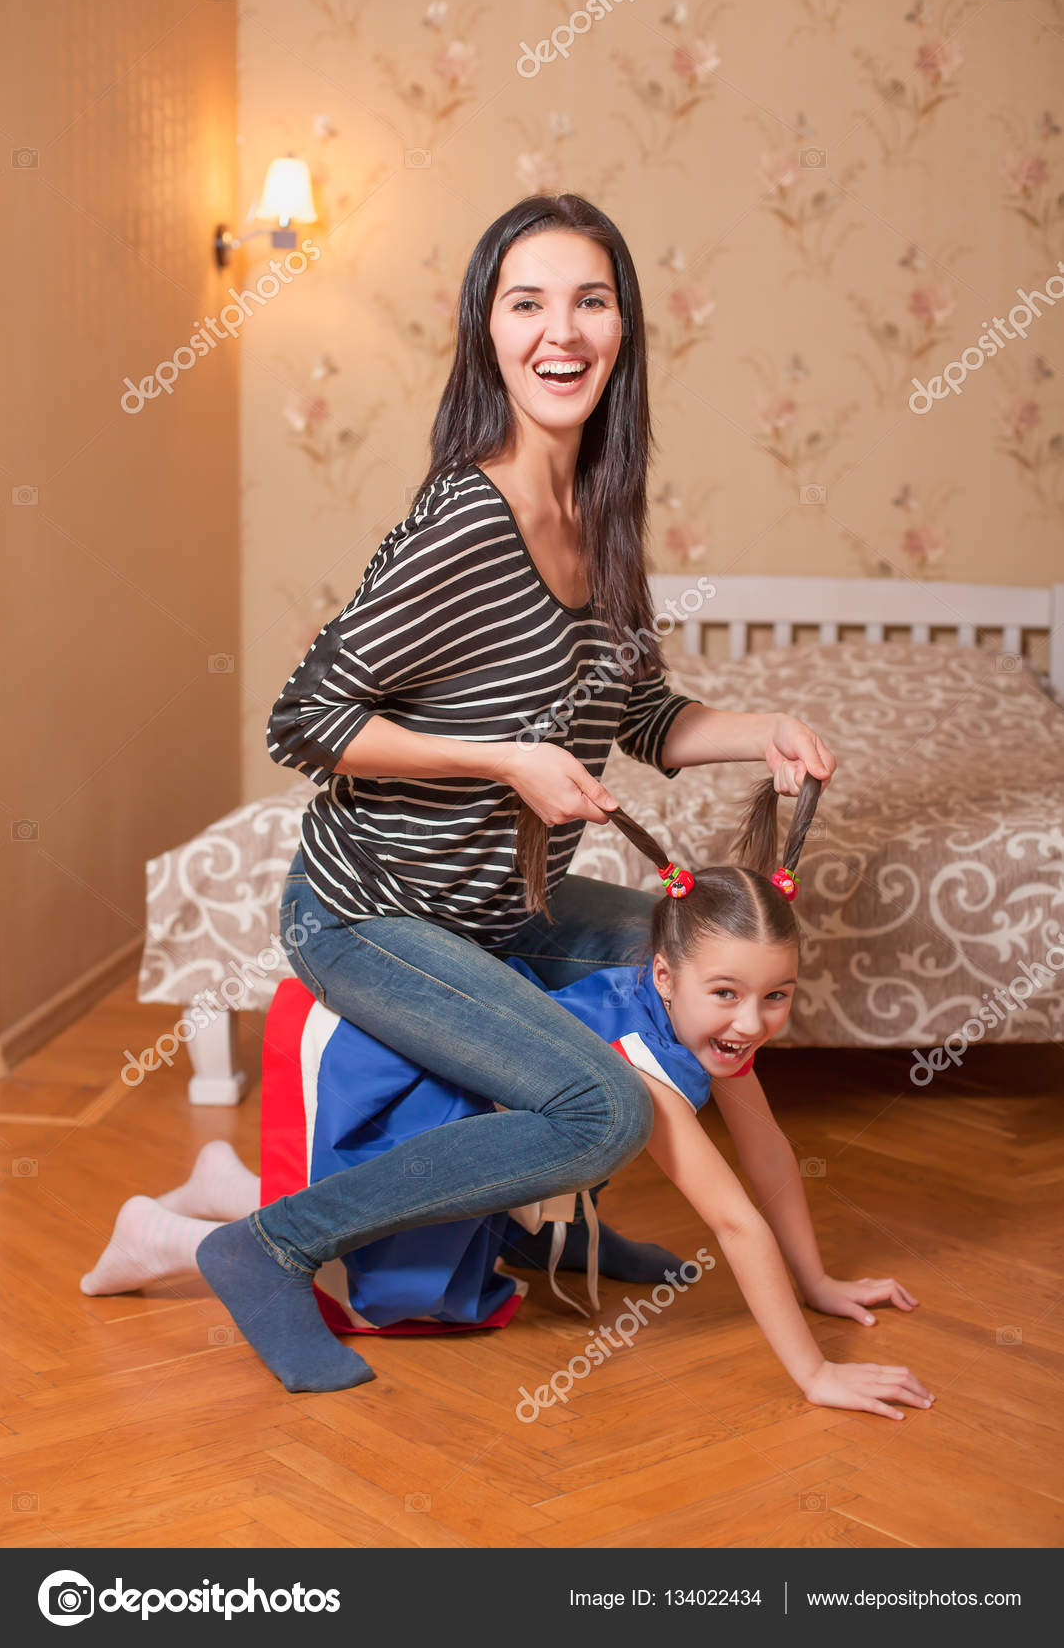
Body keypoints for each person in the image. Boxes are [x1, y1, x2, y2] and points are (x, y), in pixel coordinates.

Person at [193, 191, 838, 1393]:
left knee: (697, 945)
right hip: (374, 915)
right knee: (595, 1108)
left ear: (623, 328)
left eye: (589, 299)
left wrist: (763, 731)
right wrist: (502, 761)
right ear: (488, 333)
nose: (561, 328)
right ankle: (269, 1244)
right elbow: (305, 719)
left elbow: (639, 715)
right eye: (526, 300)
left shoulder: (600, 512)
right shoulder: (463, 519)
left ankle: (544, 1227)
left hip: (506, 904)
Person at [84, 777, 934, 1423]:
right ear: (665, 976)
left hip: (501, 1149)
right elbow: (735, 1220)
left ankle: (224, 1182)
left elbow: (769, 1156)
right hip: (428, 1122)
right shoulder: (639, 1056)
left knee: (504, 1197)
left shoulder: (711, 1025)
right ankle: (166, 1235)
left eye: (776, 997)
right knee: (402, 1287)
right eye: (728, 995)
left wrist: (818, 1280)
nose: (752, 1022)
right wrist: (815, 1374)